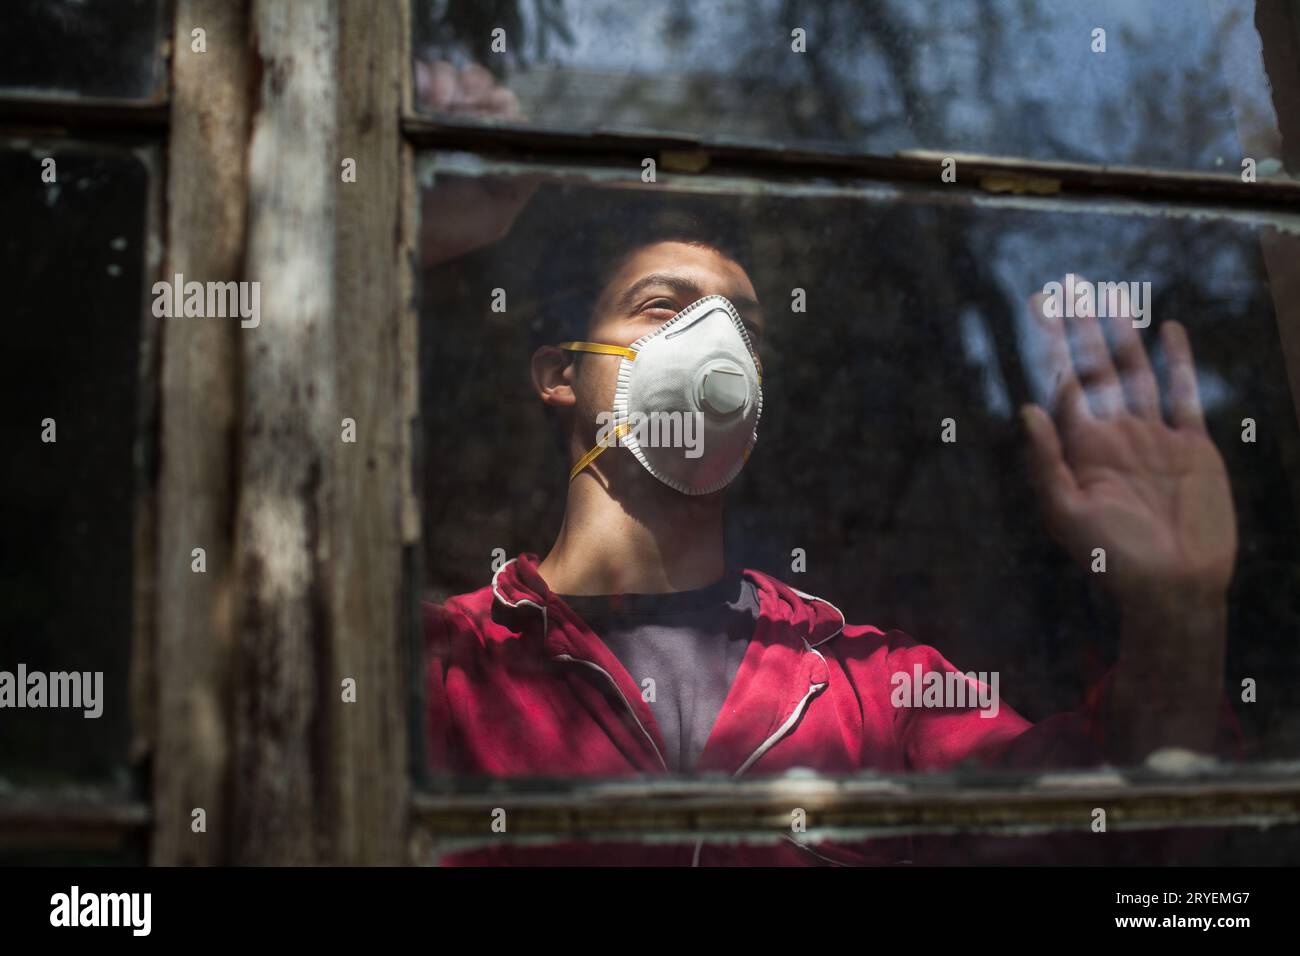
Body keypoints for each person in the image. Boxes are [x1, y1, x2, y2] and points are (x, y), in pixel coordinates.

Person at [420, 199, 1241, 865]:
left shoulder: (873, 682)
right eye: (663, 307)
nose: (715, 350)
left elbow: (1110, 832)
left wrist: (1180, 616)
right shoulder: (445, 666)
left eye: (743, 329)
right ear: (562, 374)